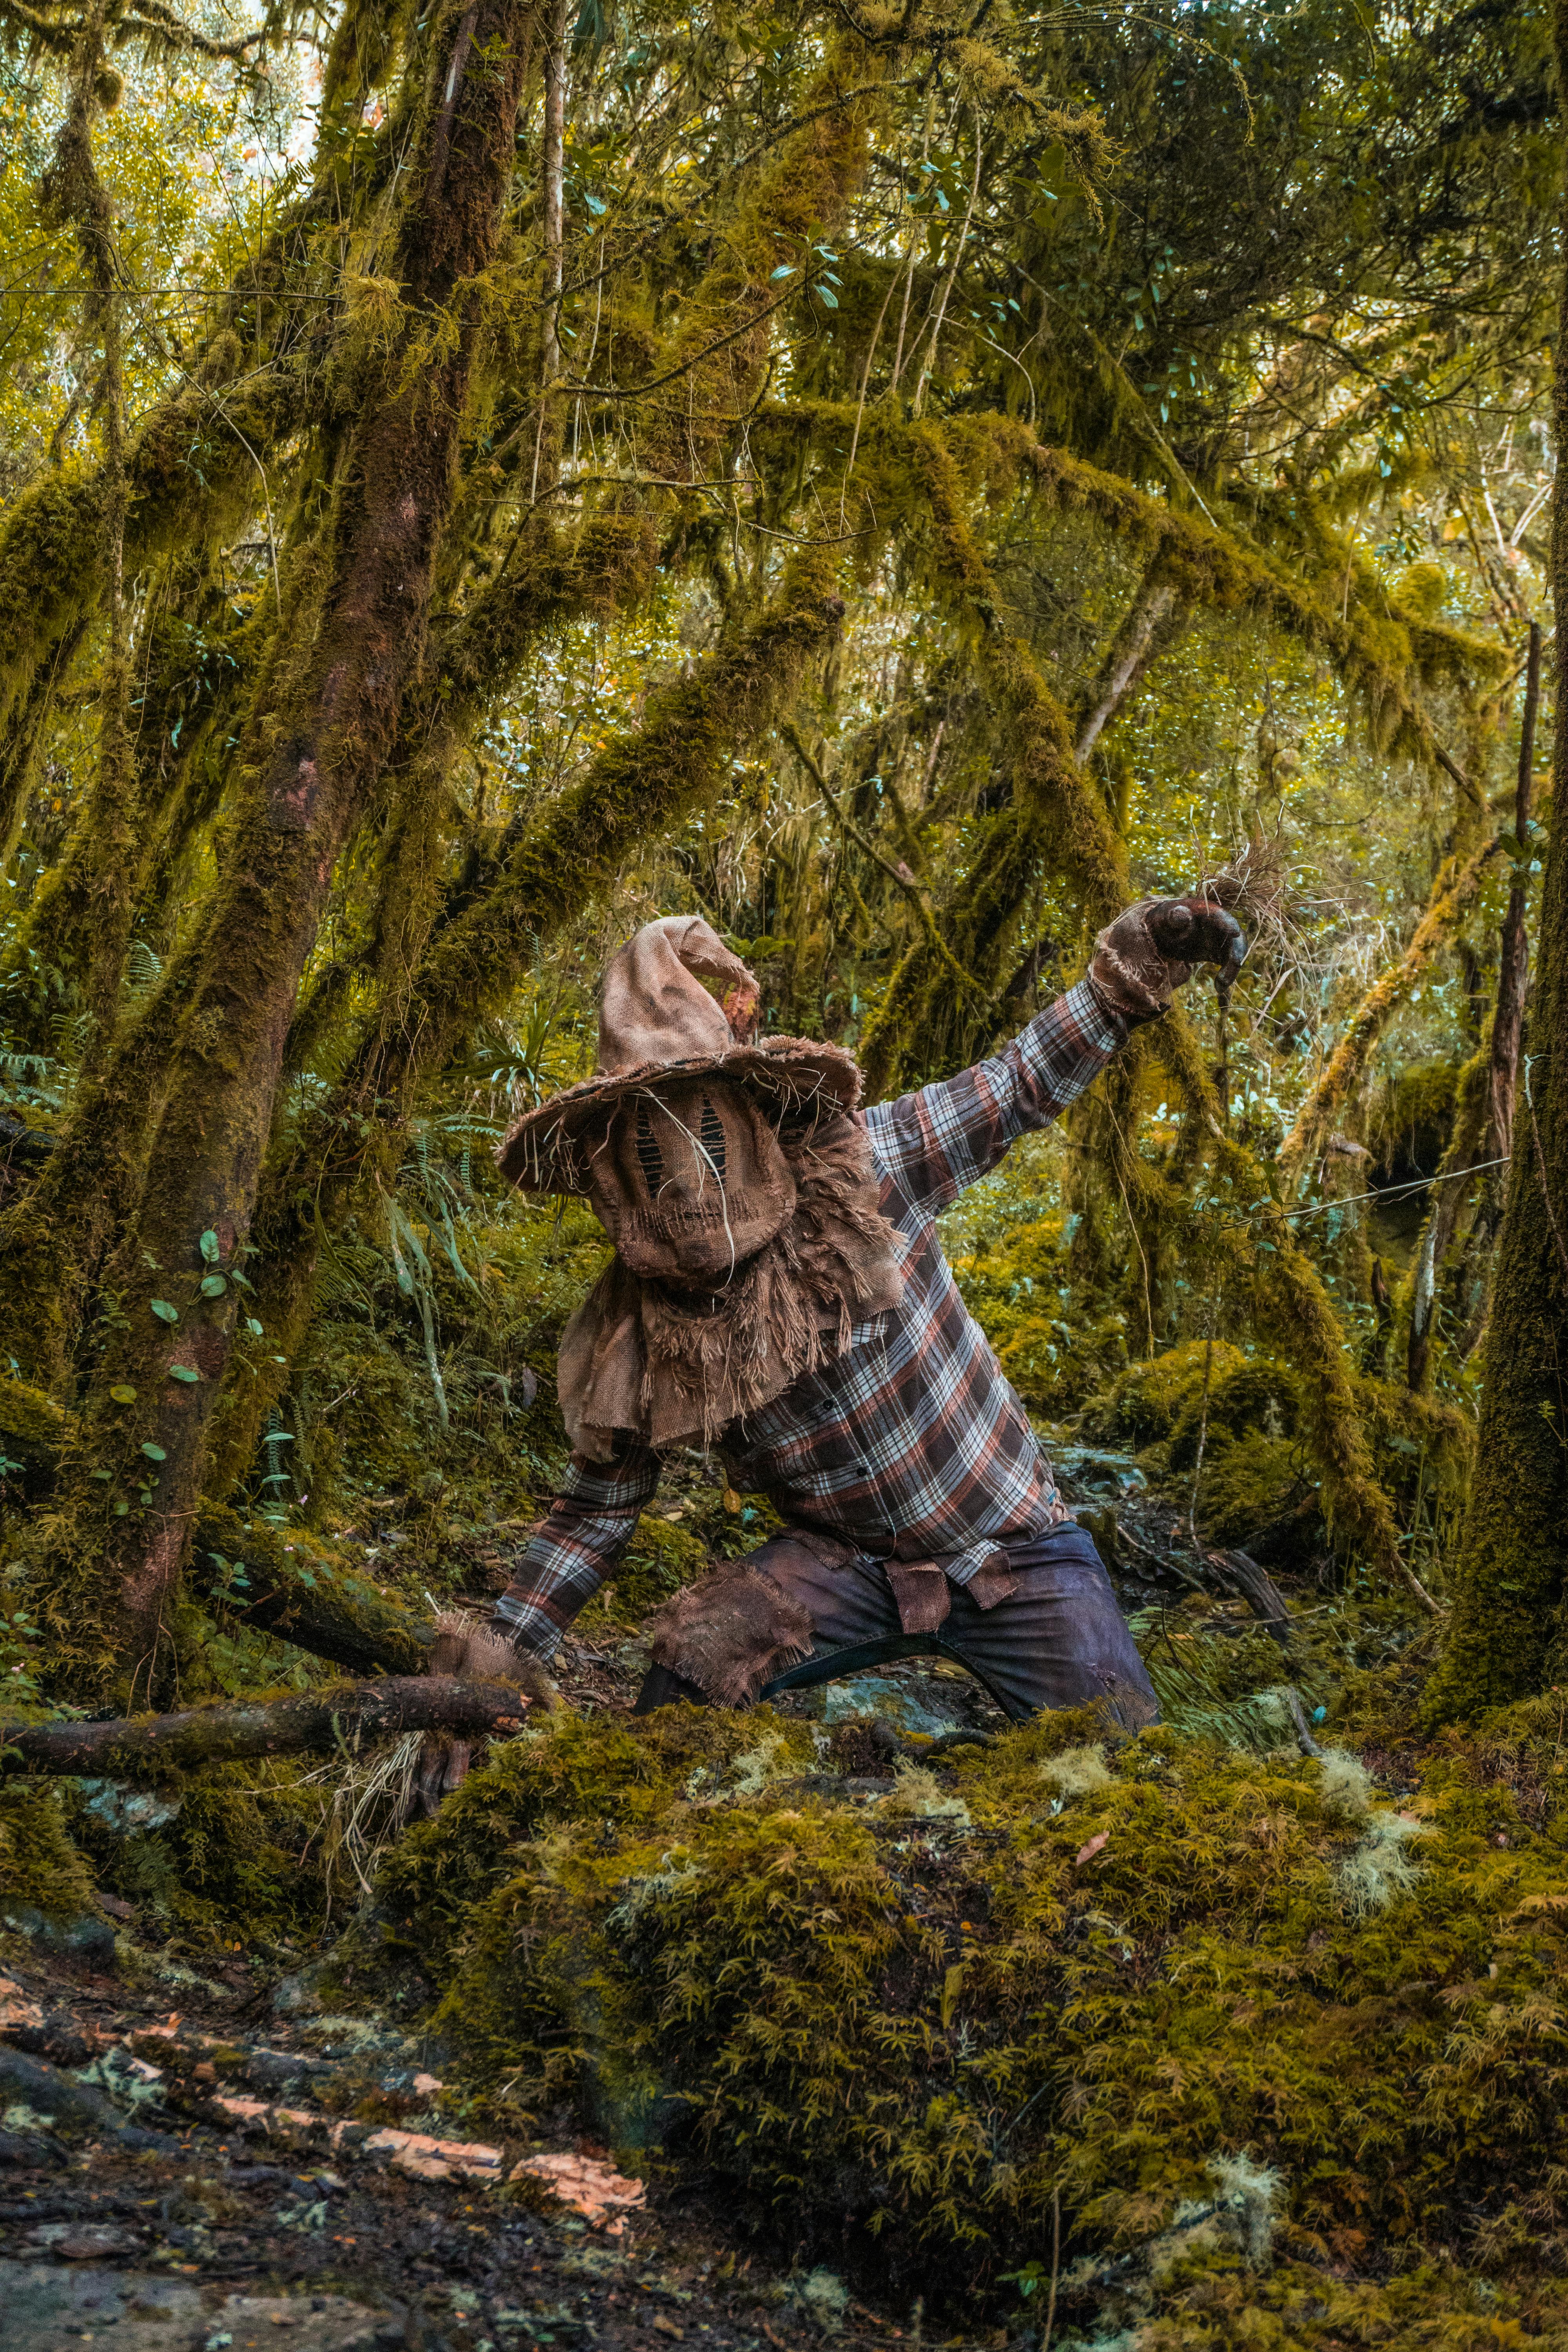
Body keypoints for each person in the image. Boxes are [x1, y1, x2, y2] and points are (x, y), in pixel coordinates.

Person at [436, 895, 1243, 1733]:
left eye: (699, 1125)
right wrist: (492, 1670)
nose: (680, 1168)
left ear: (746, 1109)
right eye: (642, 1141)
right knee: (679, 1695)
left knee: (1124, 1755)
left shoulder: (868, 1168)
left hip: (1014, 1547)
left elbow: (1014, 1087)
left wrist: (1130, 968)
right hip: (841, 1566)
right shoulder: (641, 1327)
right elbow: (595, 1512)